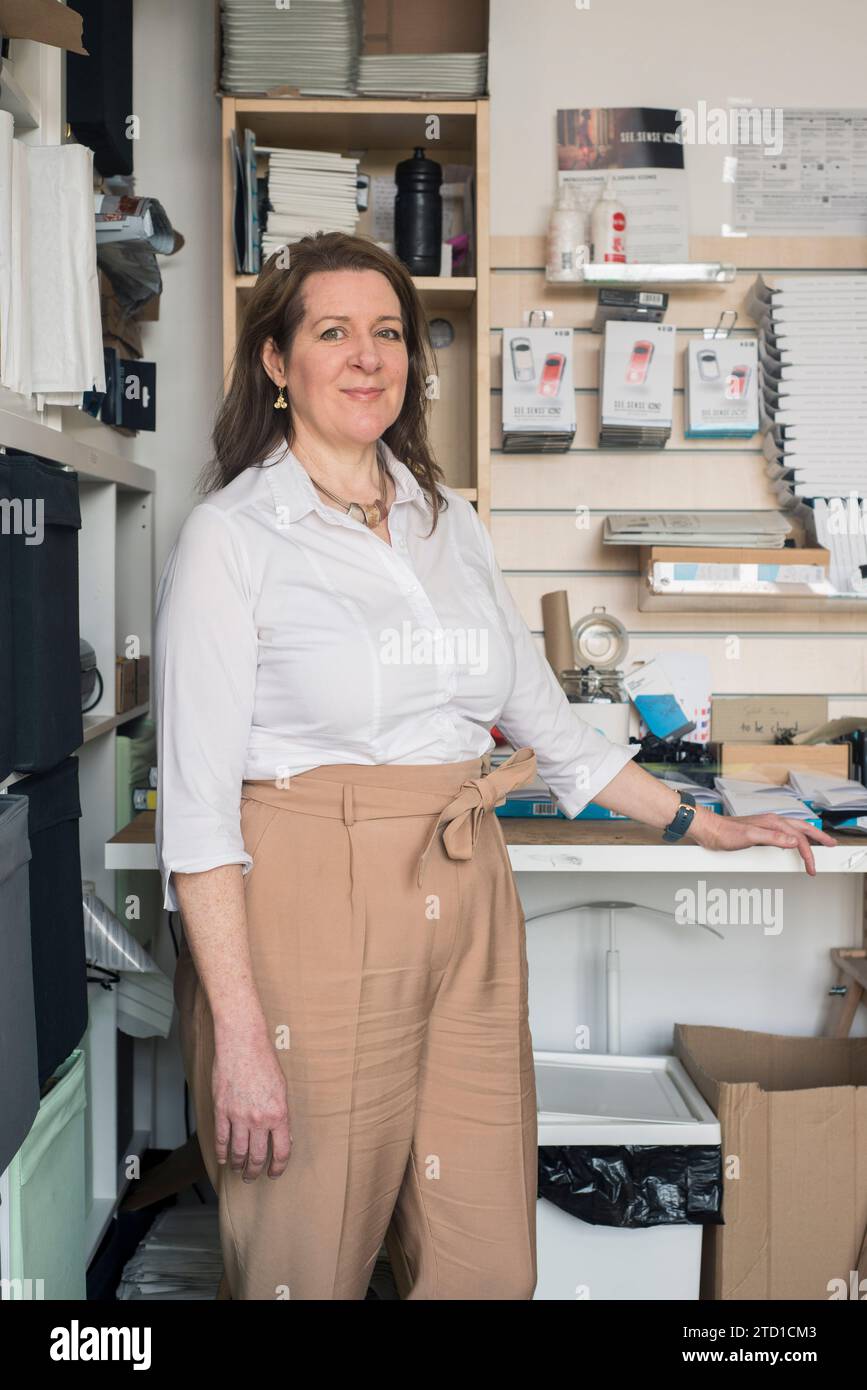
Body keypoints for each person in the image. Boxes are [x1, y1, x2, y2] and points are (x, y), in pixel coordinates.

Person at [153, 231, 835, 1301]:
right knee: (307, 1256)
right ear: (279, 364)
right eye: (333, 331)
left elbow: (549, 725)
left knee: (487, 1261)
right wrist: (239, 1034)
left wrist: (707, 825)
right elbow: (195, 817)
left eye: (388, 332)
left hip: (466, 894)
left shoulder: (447, 521)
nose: (368, 355)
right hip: (309, 905)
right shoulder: (232, 537)